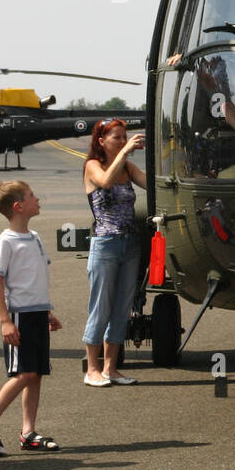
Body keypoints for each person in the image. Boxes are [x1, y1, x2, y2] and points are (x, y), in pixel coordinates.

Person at [0, 181, 63, 456]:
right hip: (18, 315)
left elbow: (35, 279)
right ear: (18, 206)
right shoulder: (4, 242)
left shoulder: (35, 237)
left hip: (36, 313)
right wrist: (5, 321)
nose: (38, 198)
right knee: (24, 372)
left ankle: (28, 432)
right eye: (32, 196)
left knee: (36, 375)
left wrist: (47, 311)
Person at [82, 119, 146, 388]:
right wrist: (125, 152)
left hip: (130, 243)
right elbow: (106, 182)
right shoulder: (93, 166)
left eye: (124, 137)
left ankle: (111, 367)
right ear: (101, 141)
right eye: (116, 137)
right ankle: (92, 368)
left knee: (122, 307)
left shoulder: (128, 168)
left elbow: (152, 183)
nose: (122, 141)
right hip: (106, 243)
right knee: (101, 306)